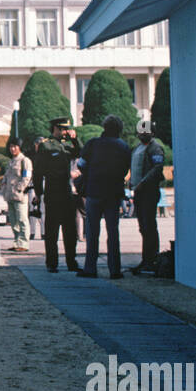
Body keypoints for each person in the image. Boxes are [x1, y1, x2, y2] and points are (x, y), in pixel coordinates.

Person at [77, 116, 131, 278]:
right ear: (119, 129)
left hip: (94, 190)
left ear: (104, 127)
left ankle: (90, 268)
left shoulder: (92, 144)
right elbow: (125, 169)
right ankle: (115, 270)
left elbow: (81, 164)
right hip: (113, 192)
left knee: (92, 231)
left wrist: (91, 175)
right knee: (113, 232)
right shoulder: (123, 146)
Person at [35, 117, 83, 272]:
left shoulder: (67, 146)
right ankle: (52, 262)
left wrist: (75, 140)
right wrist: (38, 193)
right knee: (52, 231)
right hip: (53, 190)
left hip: (67, 191)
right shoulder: (46, 145)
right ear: (54, 128)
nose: (64, 132)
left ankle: (71, 261)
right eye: (62, 129)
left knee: (70, 231)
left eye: (66, 129)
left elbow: (81, 153)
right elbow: (38, 171)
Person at [129, 118, 166, 275]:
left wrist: (143, 182)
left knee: (149, 226)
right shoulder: (138, 148)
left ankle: (151, 259)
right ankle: (146, 259)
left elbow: (157, 168)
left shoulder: (155, 148)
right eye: (141, 132)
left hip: (148, 191)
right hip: (138, 191)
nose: (143, 134)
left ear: (152, 133)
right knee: (143, 227)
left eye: (146, 132)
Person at [3, 137, 32, 251]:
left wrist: (19, 188)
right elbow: (6, 176)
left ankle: (24, 243)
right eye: (11, 146)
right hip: (10, 195)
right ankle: (17, 242)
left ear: (20, 147)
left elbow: (27, 177)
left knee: (22, 219)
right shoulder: (11, 161)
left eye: (15, 146)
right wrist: (4, 188)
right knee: (14, 221)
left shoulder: (25, 160)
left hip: (20, 195)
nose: (12, 149)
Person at [28, 135, 47, 240]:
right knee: (32, 209)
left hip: (43, 183)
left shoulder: (47, 157)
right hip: (32, 184)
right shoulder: (31, 156)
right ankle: (32, 232)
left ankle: (43, 232)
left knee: (43, 210)